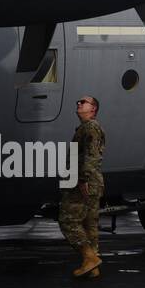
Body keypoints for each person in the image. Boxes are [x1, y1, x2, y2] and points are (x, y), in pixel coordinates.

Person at [59, 95, 105, 278]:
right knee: (89, 224)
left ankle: (89, 257)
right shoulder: (86, 128)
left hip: (83, 182)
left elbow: (92, 156)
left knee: (68, 220)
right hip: (91, 182)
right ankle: (93, 268)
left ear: (93, 109)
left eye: (83, 102)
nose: (79, 104)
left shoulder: (90, 127)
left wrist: (83, 179)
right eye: (77, 101)